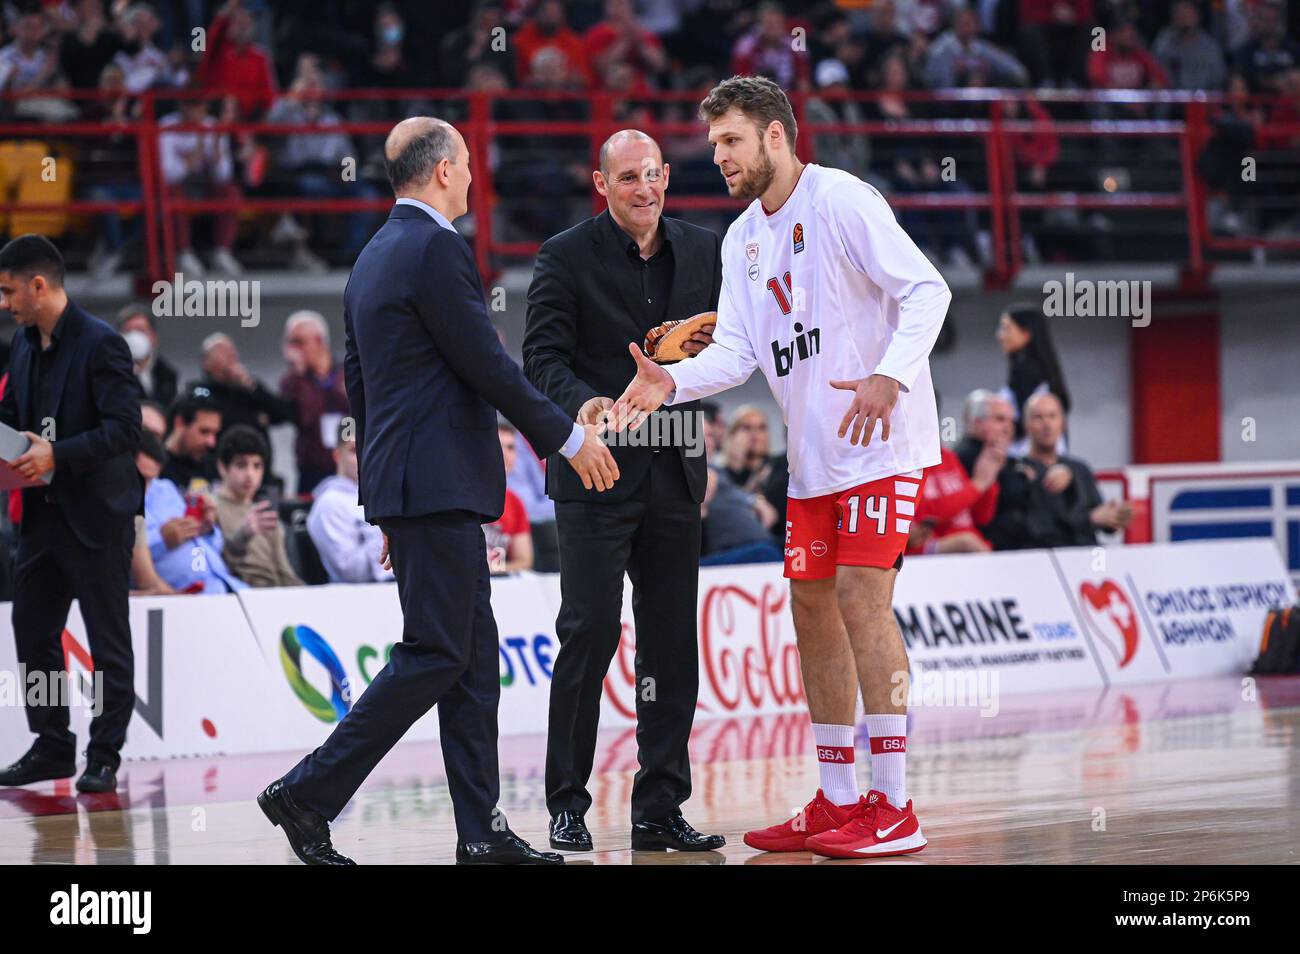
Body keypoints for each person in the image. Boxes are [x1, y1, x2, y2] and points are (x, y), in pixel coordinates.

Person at [258, 116, 618, 867]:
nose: (476, 179)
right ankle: (308, 792)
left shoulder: (370, 259)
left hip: (416, 487)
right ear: (447, 169)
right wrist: (572, 438)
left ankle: (480, 831)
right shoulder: (436, 249)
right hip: (439, 485)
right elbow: (488, 366)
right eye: (470, 165)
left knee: (471, 661)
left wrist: (386, 496)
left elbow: (363, 387)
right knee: (436, 652)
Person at [613, 76, 950, 859]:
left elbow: (925, 291)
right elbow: (735, 352)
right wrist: (670, 382)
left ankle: (894, 804)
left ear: (775, 135)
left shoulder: (844, 200)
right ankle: (837, 798)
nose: (718, 158)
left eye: (730, 141)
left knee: (866, 603)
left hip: (880, 443)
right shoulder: (741, 240)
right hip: (814, 460)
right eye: (714, 144)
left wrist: (890, 375)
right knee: (811, 613)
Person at [523, 127, 723, 854]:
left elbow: (730, 346)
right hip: (595, 470)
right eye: (628, 178)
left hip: (674, 471)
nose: (644, 189)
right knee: (589, 634)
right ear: (601, 184)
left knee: (671, 646)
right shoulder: (563, 255)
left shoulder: (706, 249)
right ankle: (566, 802)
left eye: (653, 175)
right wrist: (585, 407)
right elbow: (539, 358)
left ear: (667, 175)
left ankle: (659, 806)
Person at [0, 235, 142, 794]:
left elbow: (125, 430)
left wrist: (58, 453)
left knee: (107, 642)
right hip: (41, 517)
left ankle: (103, 753)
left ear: (39, 285)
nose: (5, 302)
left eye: (9, 291)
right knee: (32, 630)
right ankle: (53, 744)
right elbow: (13, 416)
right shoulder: (23, 344)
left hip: (97, 517)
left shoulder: (102, 344)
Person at [1020, 392, 1131, 546]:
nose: (1047, 424)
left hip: (1086, 557)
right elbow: (1036, 527)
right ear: (1026, 425)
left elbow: (1099, 515)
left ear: (1063, 423)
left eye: (1052, 416)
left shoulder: (1080, 469)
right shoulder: (1018, 471)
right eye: (1038, 417)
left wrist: (1113, 518)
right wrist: (1089, 519)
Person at [214, 425, 302, 588]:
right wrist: (243, 535)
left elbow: (285, 572)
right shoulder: (212, 508)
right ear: (222, 467)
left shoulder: (264, 513)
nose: (250, 474)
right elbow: (217, 564)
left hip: (275, 597)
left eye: (257, 466)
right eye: (241, 465)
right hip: (239, 596)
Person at [279, 311, 349, 495]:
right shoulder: (292, 381)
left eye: (299, 342)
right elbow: (306, 416)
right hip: (312, 469)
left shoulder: (346, 373)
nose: (293, 350)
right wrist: (300, 374)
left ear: (318, 341)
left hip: (349, 465)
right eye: (290, 343)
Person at [306, 435, 392, 584]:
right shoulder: (330, 503)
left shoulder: (382, 495)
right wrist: (379, 529)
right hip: (356, 598)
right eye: (354, 450)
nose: (362, 457)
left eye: (367, 449)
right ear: (337, 455)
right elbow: (351, 574)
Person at [996, 303, 1071, 450]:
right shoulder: (1043, 371)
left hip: (1029, 457)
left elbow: (1021, 425)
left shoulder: (1028, 372)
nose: (1000, 335)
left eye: (1007, 328)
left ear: (1026, 334)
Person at [485, 422, 533, 574]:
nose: (505, 453)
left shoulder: (514, 502)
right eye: (499, 445)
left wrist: (492, 570)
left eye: (511, 447)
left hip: (497, 584)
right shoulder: (460, 495)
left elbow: (524, 560)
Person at [117, 304, 178, 408]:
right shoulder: (111, 375)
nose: (134, 337)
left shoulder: (169, 375)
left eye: (140, 330)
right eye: (128, 331)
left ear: (154, 337)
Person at [162, 385, 221, 490]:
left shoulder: (216, 469)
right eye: (204, 431)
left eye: (215, 433)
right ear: (179, 423)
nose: (211, 442)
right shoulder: (155, 468)